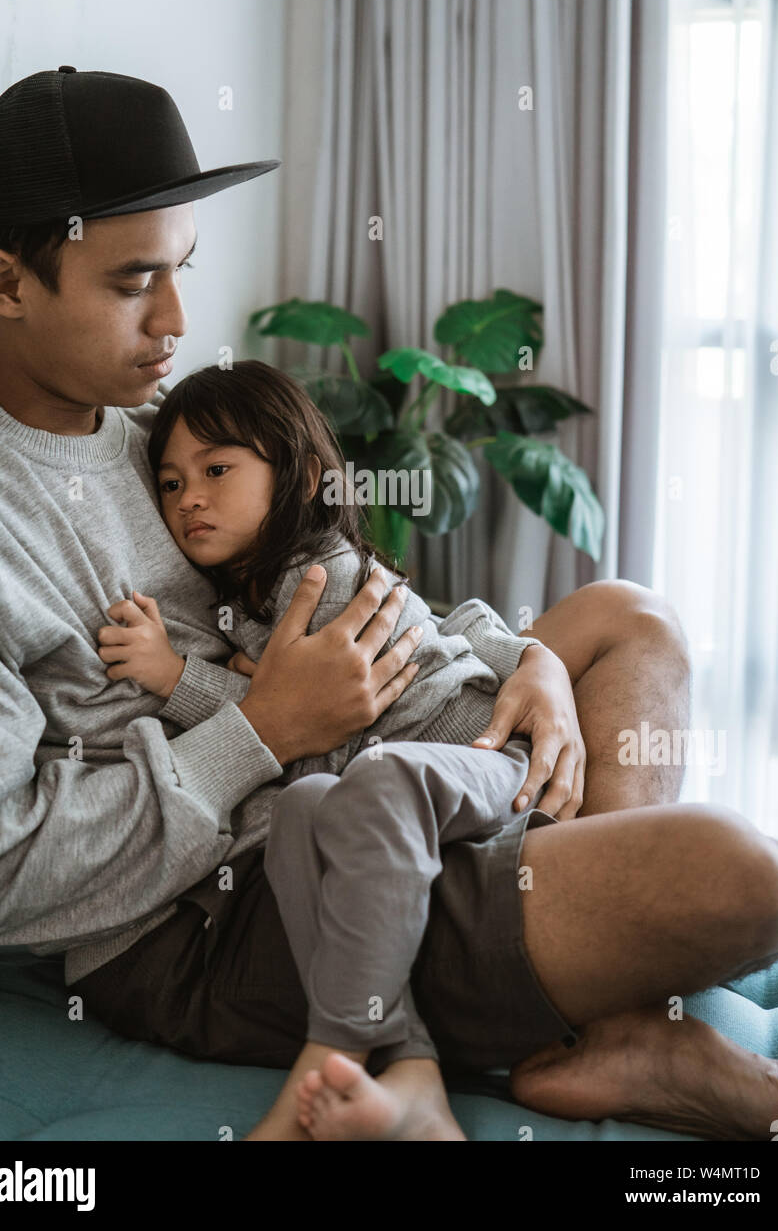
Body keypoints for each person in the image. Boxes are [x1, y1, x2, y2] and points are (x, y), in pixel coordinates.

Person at [0, 67, 778, 1143]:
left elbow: (342, 592)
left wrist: (523, 660)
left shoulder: (161, 431)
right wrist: (261, 732)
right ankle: (620, 1012)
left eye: (181, 272)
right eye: (132, 283)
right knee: (750, 880)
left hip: (370, 788)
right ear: (6, 280)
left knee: (632, 617)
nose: (176, 319)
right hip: (219, 907)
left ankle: (620, 1019)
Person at [100, 356, 576, 1141]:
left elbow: (315, 726)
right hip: (416, 788)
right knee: (304, 810)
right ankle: (410, 1072)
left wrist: (175, 675)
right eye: (172, 483)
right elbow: (303, 729)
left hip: (492, 761)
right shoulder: (259, 590)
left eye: (217, 469)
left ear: (301, 473)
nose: (190, 500)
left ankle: (330, 1059)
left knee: (366, 778)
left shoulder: (313, 573)